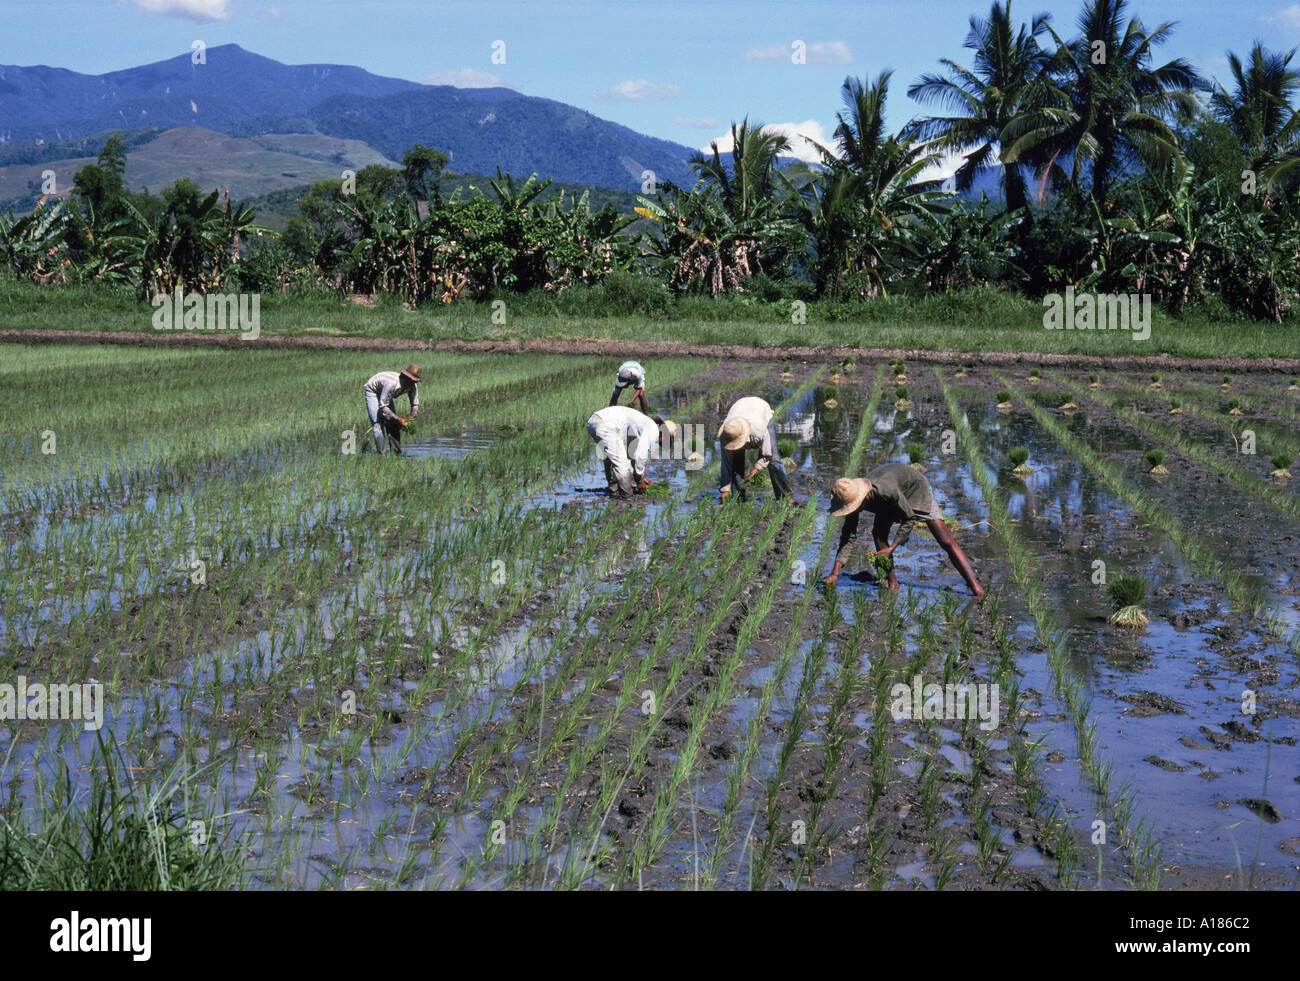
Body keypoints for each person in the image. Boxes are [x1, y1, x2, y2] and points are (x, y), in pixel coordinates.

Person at [823, 463, 983, 597]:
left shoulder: (886, 490)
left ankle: (976, 587)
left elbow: (909, 518)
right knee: (879, 535)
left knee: (946, 540)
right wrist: (835, 573)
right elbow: (848, 537)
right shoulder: (853, 498)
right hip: (888, 499)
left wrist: (892, 548)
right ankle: (893, 584)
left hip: (915, 489)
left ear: (863, 498)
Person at [586, 405, 676, 498]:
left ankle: (613, 490)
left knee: (611, 458)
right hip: (605, 425)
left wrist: (640, 478)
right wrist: (640, 480)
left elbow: (632, 454)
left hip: (595, 421)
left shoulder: (642, 425)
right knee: (622, 464)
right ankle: (626, 496)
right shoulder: (653, 430)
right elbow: (640, 455)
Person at [717, 396, 792, 502]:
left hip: (759, 409)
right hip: (739, 408)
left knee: (774, 460)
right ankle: (738, 497)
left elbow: (767, 453)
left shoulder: (759, 430)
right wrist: (725, 489)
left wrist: (756, 469)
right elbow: (727, 463)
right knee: (735, 460)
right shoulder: (728, 433)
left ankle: (784, 496)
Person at [364, 364, 421, 455]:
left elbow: (415, 404)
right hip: (373, 391)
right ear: (405, 377)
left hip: (386, 394)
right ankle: (381, 455)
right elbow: (383, 407)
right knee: (378, 424)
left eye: (414, 381)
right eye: (410, 380)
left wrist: (411, 419)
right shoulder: (391, 383)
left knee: (393, 424)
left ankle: (396, 454)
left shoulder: (413, 386)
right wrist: (399, 419)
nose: (412, 383)